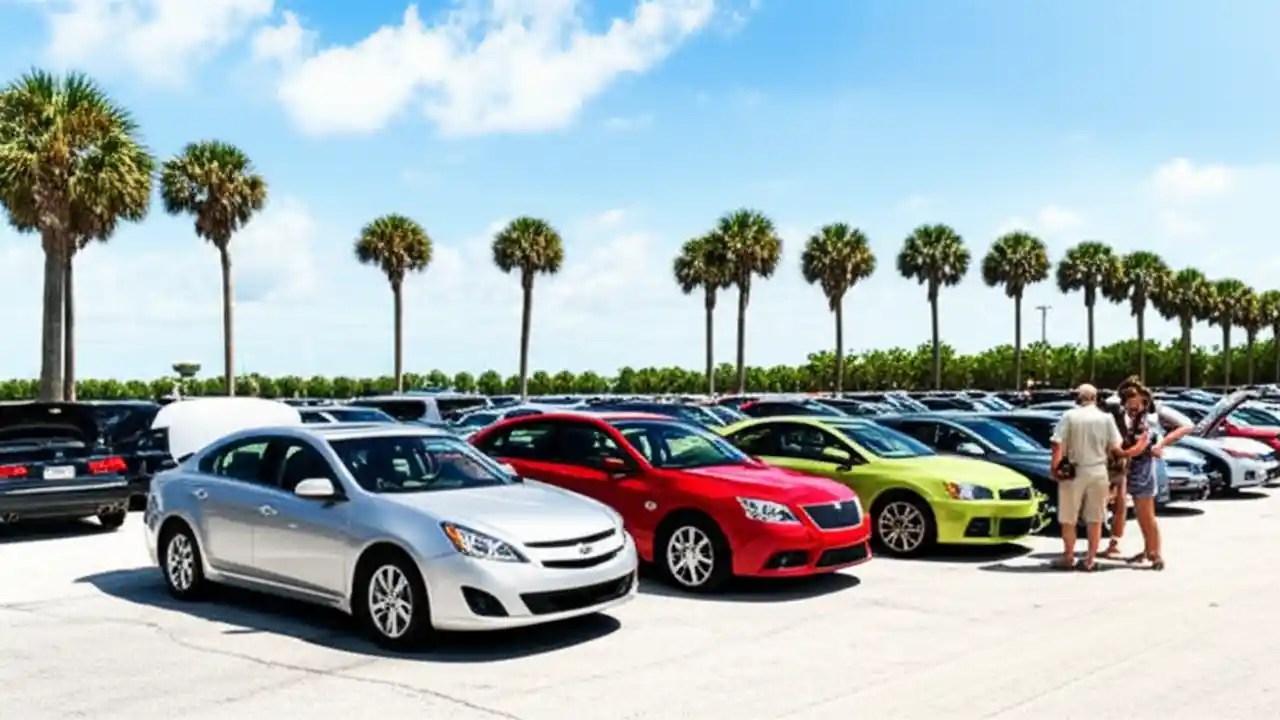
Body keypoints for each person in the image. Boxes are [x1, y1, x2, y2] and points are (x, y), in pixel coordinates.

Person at [1100, 377, 1192, 566]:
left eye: (1140, 403)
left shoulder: (1150, 414)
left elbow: (1186, 425)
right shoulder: (1120, 411)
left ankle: (1155, 554)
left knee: (1145, 512)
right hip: (1126, 462)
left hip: (1143, 465)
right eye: (1131, 403)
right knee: (1122, 507)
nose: (1136, 407)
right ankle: (1141, 549)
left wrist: (1161, 443)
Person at [1049, 383, 1124, 571]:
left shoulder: (1069, 416)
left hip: (1074, 471)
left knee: (1068, 516)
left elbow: (1057, 444)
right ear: (1096, 398)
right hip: (1098, 470)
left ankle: (1068, 555)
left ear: (1078, 397)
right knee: (1095, 517)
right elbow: (1115, 447)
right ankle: (1090, 558)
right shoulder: (1106, 418)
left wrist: (1055, 467)